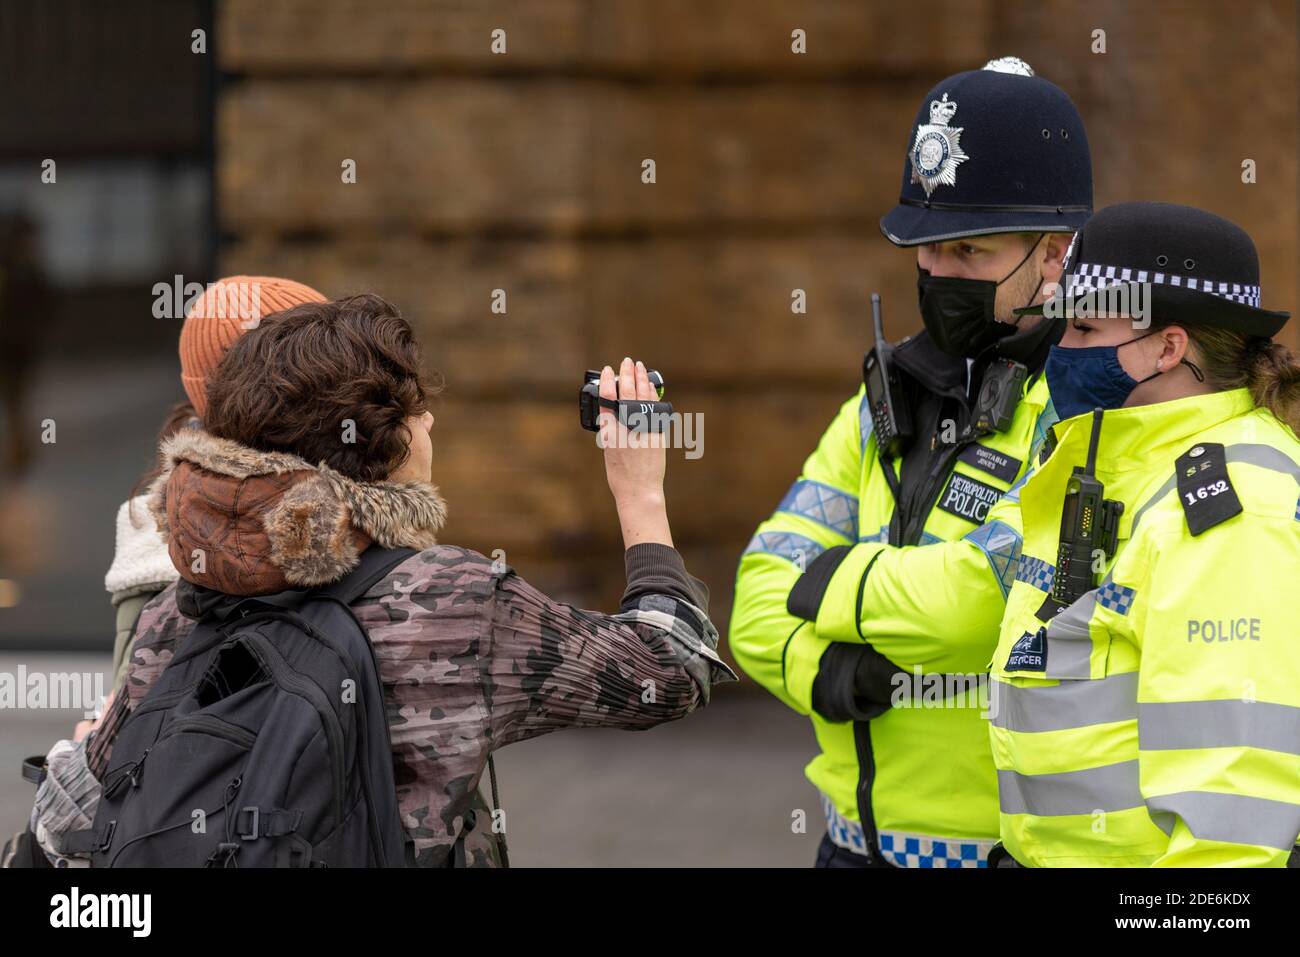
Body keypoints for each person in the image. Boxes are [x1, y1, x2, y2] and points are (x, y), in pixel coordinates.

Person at [92, 293, 733, 867]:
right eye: (416, 409)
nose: (429, 423)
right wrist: (641, 493)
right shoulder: (449, 600)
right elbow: (668, 670)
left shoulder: (181, 602)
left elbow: (90, 805)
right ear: (385, 440)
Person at [730, 57, 1091, 868]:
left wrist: (830, 581)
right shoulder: (883, 396)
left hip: (1009, 854)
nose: (938, 275)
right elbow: (754, 595)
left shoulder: (1079, 409)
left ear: (1056, 256)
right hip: (849, 848)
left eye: (969, 250)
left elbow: (977, 605)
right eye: (925, 250)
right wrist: (821, 668)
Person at [986, 201, 1300, 867]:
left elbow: (1233, 821)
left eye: (1083, 326)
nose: (1060, 348)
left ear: (1167, 347)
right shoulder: (1116, 463)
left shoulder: (1227, 509)